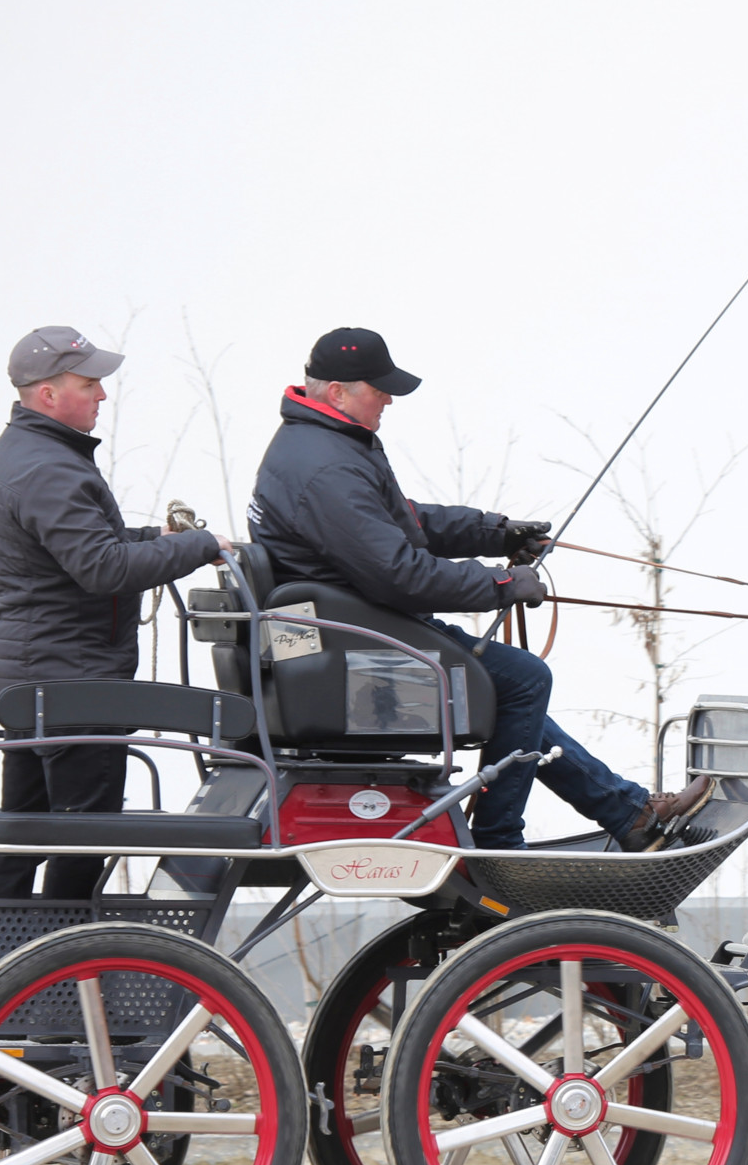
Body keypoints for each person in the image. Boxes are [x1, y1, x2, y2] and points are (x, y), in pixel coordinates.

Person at [247, 327, 708, 850]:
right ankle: (500, 842)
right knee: (523, 680)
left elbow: (402, 521)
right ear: (338, 391)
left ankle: (626, 813)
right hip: (353, 646)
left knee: (509, 685)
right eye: (379, 389)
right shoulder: (326, 466)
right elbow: (399, 572)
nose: (390, 399)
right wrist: (503, 583)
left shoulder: (323, 446)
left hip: (353, 630)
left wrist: (496, 532)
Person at [0, 326, 232, 897]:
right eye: (89, 383)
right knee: (83, 838)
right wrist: (197, 545)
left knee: (22, 836)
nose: (102, 395)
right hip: (72, 684)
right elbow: (104, 569)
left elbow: (87, 547)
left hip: (37, 675)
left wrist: (159, 538)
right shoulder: (47, 468)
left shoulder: (31, 456)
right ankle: (62, 971)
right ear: (47, 394)